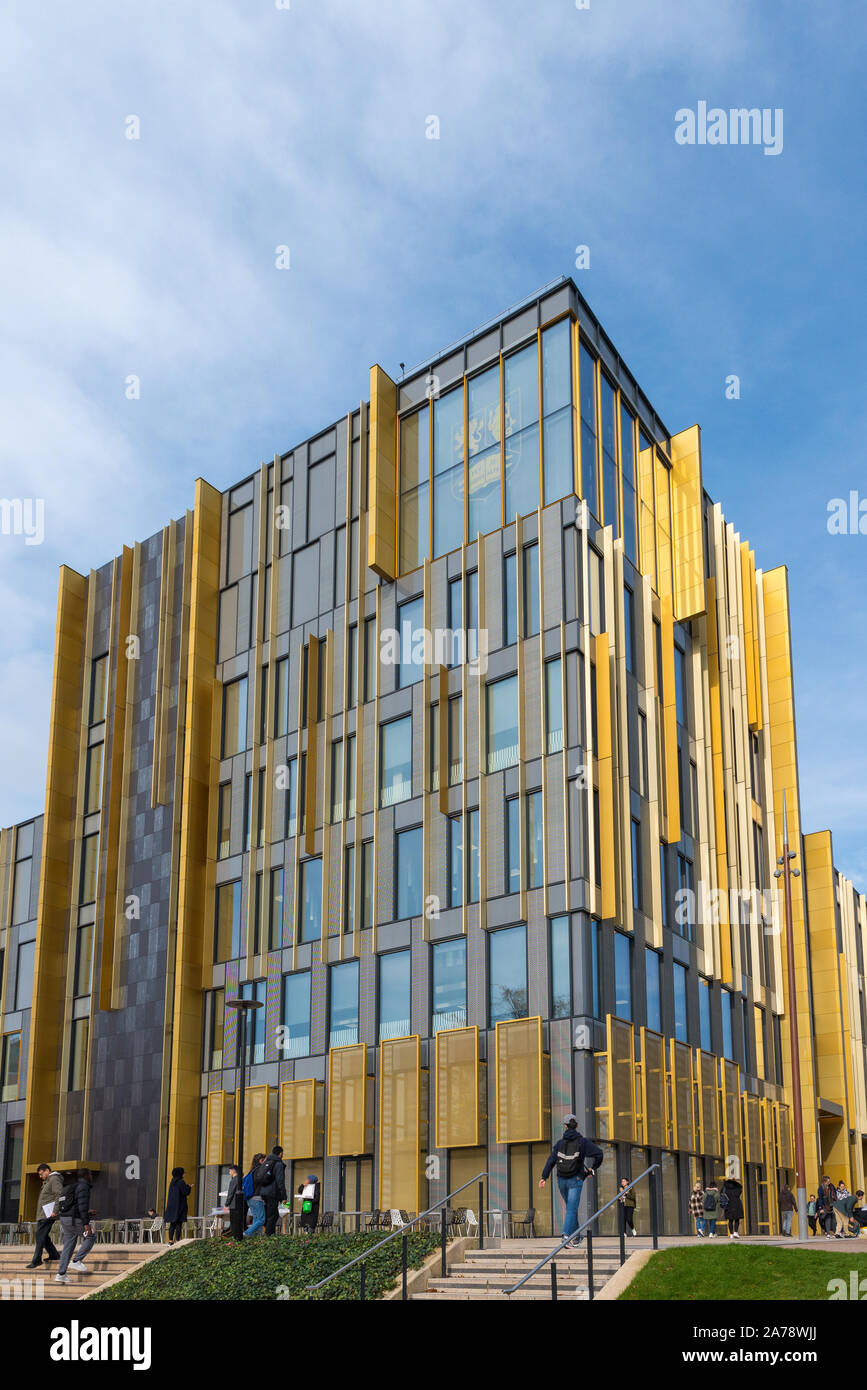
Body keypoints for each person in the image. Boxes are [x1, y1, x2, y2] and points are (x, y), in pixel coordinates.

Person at [538, 1114, 603, 1246]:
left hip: (561, 1180)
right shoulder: (583, 1142)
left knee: (570, 1208)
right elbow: (599, 1154)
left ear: (565, 1126)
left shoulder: (559, 1143)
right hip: (576, 1179)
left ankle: (577, 1236)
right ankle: (566, 1236)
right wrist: (592, 1169)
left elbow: (551, 1160)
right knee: (572, 1209)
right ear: (576, 1126)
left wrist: (544, 1177)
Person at [56, 1169, 96, 1284]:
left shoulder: (72, 1186)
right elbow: (82, 1205)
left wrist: (87, 1212)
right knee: (91, 1236)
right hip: (74, 1220)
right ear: (86, 1175)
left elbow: (76, 1206)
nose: (91, 1176)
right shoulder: (84, 1187)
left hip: (64, 1218)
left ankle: (61, 1274)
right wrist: (86, 1224)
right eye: (90, 1174)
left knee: (68, 1245)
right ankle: (76, 1261)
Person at [25, 1163, 63, 1269]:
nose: (40, 1177)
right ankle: (54, 1255)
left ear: (47, 1170)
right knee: (43, 1236)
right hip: (44, 1214)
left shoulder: (54, 1179)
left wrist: (55, 1210)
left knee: (39, 1236)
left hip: (49, 1214)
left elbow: (58, 1195)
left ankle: (36, 1260)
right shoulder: (48, 1181)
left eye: (41, 1174)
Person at [164, 1166, 192, 1244]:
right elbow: (185, 1192)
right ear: (180, 1173)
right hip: (179, 1206)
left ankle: (170, 1241)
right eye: (183, 1173)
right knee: (179, 1223)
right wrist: (189, 1187)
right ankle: (177, 1240)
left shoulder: (172, 1182)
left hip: (171, 1207)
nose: (184, 1174)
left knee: (172, 1224)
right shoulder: (181, 1182)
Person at [243, 1155, 269, 1238]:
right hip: (257, 1198)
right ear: (261, 1161)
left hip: (249, 1198)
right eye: (265, 1160)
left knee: (256, 1220)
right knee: (262, 1220)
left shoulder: (252, 1171)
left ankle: (256, 1238)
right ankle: (247, 1233)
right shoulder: (260, 1170)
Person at [265, 1145, 286, 1236]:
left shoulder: (267, 1163)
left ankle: (267, 1233)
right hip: (272, 1193)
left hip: (263, 1192)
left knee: (270, 1214)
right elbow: (280, 1181)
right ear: (280, 1153)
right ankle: (269, 1235)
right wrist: (284, 1197)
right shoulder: (278, 1164)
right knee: (273, 1215)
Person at [224, 1165, 243, 1239]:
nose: (229, 1173)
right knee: (238, 1222)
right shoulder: (240, 1179)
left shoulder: (234, 1180)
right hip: (239, 1203)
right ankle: (237, 1236)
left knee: (234, 1222)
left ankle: (235, 1237)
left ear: (233, 1170)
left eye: (229, 1171)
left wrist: (226, 1203)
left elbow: (231, 1193)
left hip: (233, 1204)